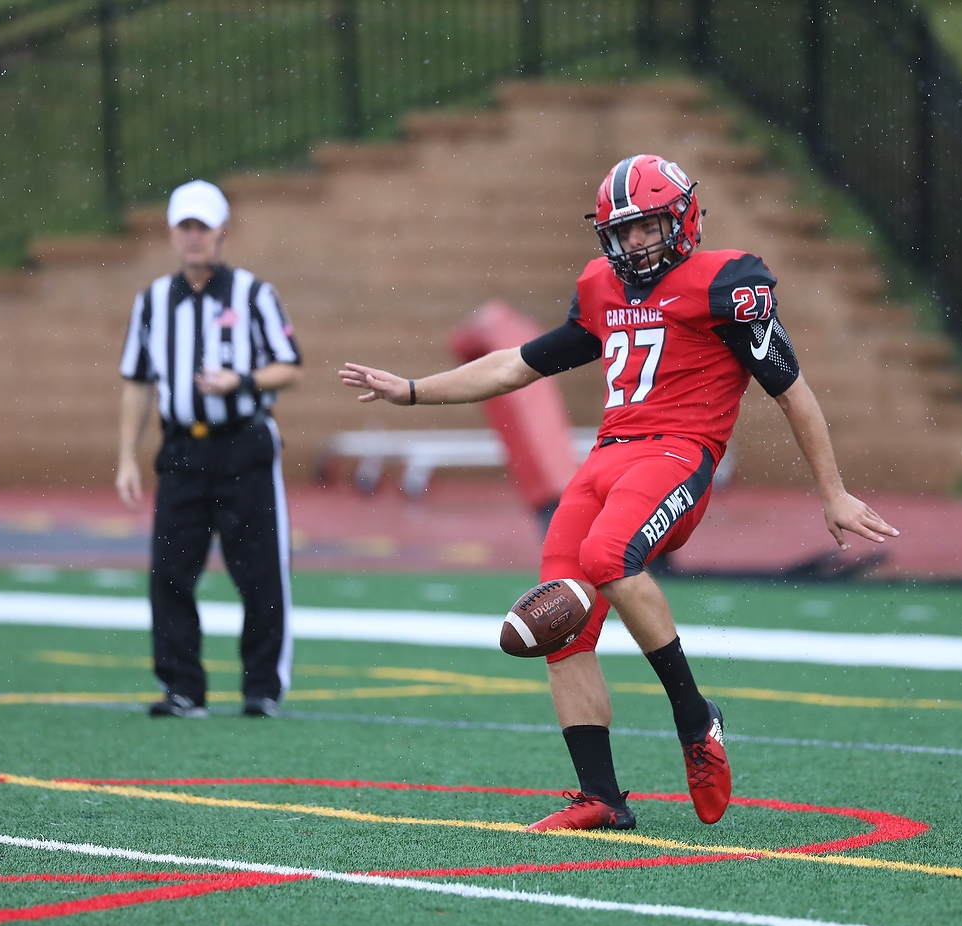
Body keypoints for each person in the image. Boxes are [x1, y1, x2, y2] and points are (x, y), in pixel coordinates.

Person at [339, 155, 896, 830]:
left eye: (646, 227)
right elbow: (519, 363)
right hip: (606, 458)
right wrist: (416, 389)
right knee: (562, 622)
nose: (633, 243)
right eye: (621, 231)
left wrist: (832, 492)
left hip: (678, 454)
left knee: (609, 557)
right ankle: (600, 796)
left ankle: (694, 718)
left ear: (682, 217)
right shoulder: (601, 288)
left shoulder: (727, 283)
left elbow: (793, 394)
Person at [116, 180, 303, 719]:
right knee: (170, 571)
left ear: (222, 232)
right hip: (182, 451)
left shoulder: (252, 295)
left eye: (203, 226)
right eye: (185, 226)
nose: (194, 237)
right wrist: (127, 453)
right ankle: (182, 687)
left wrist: (241, 381)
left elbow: (289, 365)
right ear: (172, 233)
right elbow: (137, 379)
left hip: (243, 445)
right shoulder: (152, 301)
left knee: (260, 570)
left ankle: (261, 687)